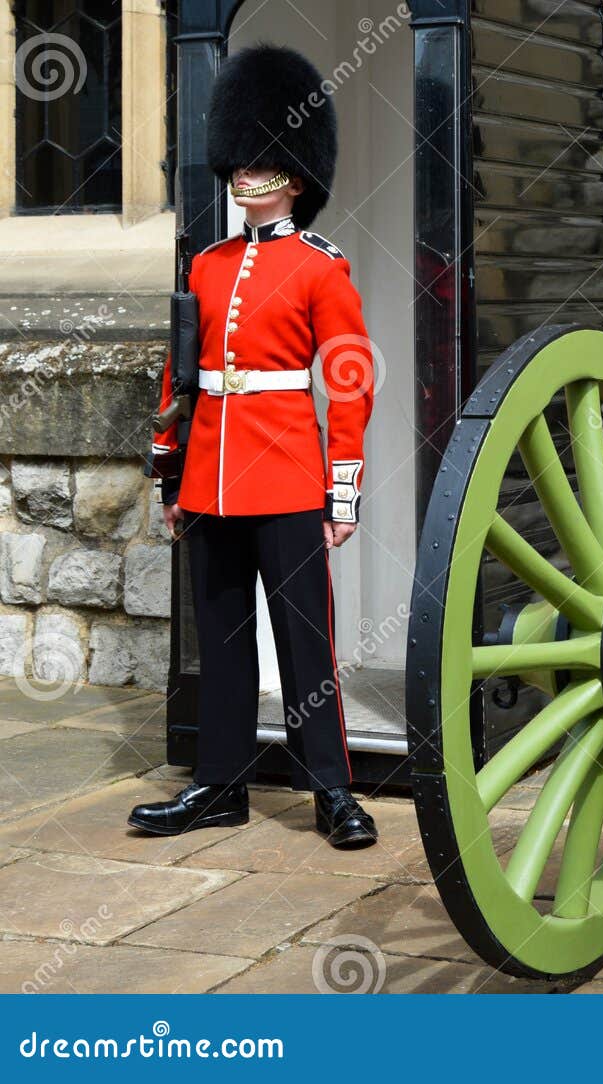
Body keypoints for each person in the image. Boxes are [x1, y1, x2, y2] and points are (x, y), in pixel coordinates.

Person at [129, 45, 378, 848]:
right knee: (223, 636)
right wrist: (171, 478)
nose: (242, 175)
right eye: (240, 161)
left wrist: (341, 490)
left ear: (294, 179)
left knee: (306, 641)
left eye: (261, 163)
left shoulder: (320, 270)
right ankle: (219, 784)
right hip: (209, 477)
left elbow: (349, 379)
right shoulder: (206, 266)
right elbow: (181, 381)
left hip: (288, 475)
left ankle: (332, 791)